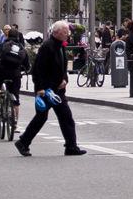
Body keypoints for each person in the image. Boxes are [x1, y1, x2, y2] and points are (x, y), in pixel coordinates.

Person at [15, 21, 85, 157]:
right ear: (56, 32)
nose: (67, 35)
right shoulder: (48, 46)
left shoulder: (59, 45)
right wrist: (39, 88)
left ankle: (71, 146)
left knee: (66, 117)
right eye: (65, 33)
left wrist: (64, 79)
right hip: (47, 90)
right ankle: (23, 142)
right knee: (42, 117)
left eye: (68, 32)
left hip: (57, 89)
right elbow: (38, 69)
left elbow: (62, 66)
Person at [0, 28, 31, 122]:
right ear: (18, 37)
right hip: (15, 74)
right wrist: (23, 71)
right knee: (16, 100)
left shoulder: (2, 45)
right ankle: (15, 122)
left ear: (7, 35)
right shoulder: (22, 49)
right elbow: (27, 66)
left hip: (2, 71)